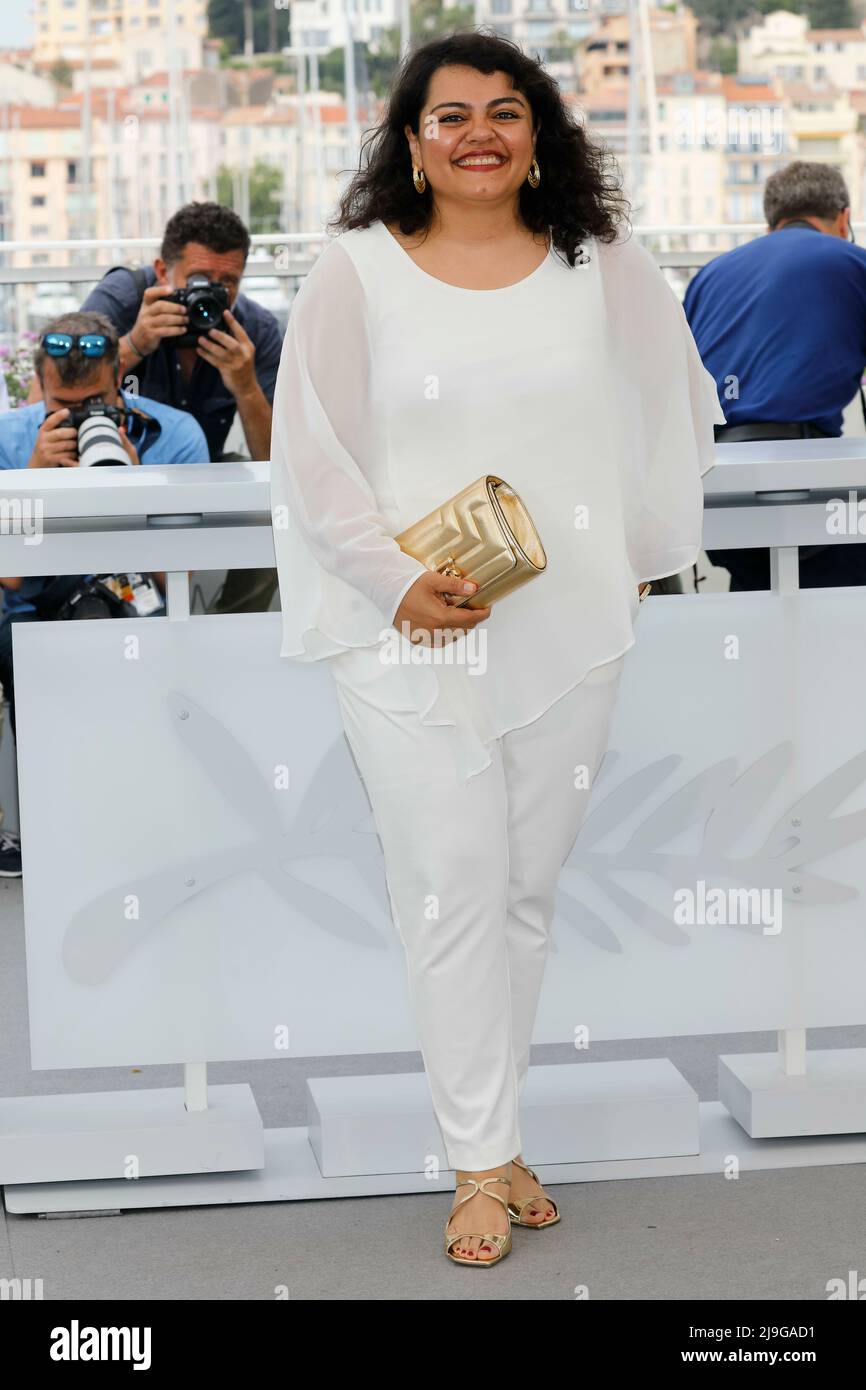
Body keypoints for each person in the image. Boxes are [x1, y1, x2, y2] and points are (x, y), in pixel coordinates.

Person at [269, 31, 723, 1268]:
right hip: (408, 628)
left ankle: (499, 1132)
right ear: (409, 141)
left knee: (522, 893)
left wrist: (632, 553)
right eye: (451, 113)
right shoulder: (355, 270)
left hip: (569, 631)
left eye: (506, 111)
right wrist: (392, 578)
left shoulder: (601, 262)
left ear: (540, 136)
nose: (479, 131)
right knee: (453, 888)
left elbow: (676, 403)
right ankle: (475, 1161)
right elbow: (310, 451)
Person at [0, 312, 208, 835]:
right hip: (35, 613)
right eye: (61, 410)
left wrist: (137, 490)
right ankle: (52, 830)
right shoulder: (10, 439)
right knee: (25, 649)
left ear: (120, 377)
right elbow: (12, 581)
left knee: (175, 645)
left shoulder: (173, 435)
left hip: (148, 605)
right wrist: (32, 477)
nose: (77, 421)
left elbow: (184, 584)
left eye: (93, 406)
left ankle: (158, 819)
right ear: (40, 385)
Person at [79, 201, 284, 613]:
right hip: (116, 470)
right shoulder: (122, 300)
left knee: (282, 511)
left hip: (202, 471)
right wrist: (135, 344)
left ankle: (228, 630)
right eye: (198, 280)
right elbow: (58, 392)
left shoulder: (254, 328)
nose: (210, 295)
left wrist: (245, 386)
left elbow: (276, 461)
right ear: (161, 271)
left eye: (227, 283)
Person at [684, 160, 866, 590]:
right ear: (843, 219)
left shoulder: (711, 275)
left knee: (754, 607)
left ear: (771, 225)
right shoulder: (851, 262)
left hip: (715, 485)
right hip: (806, 482)